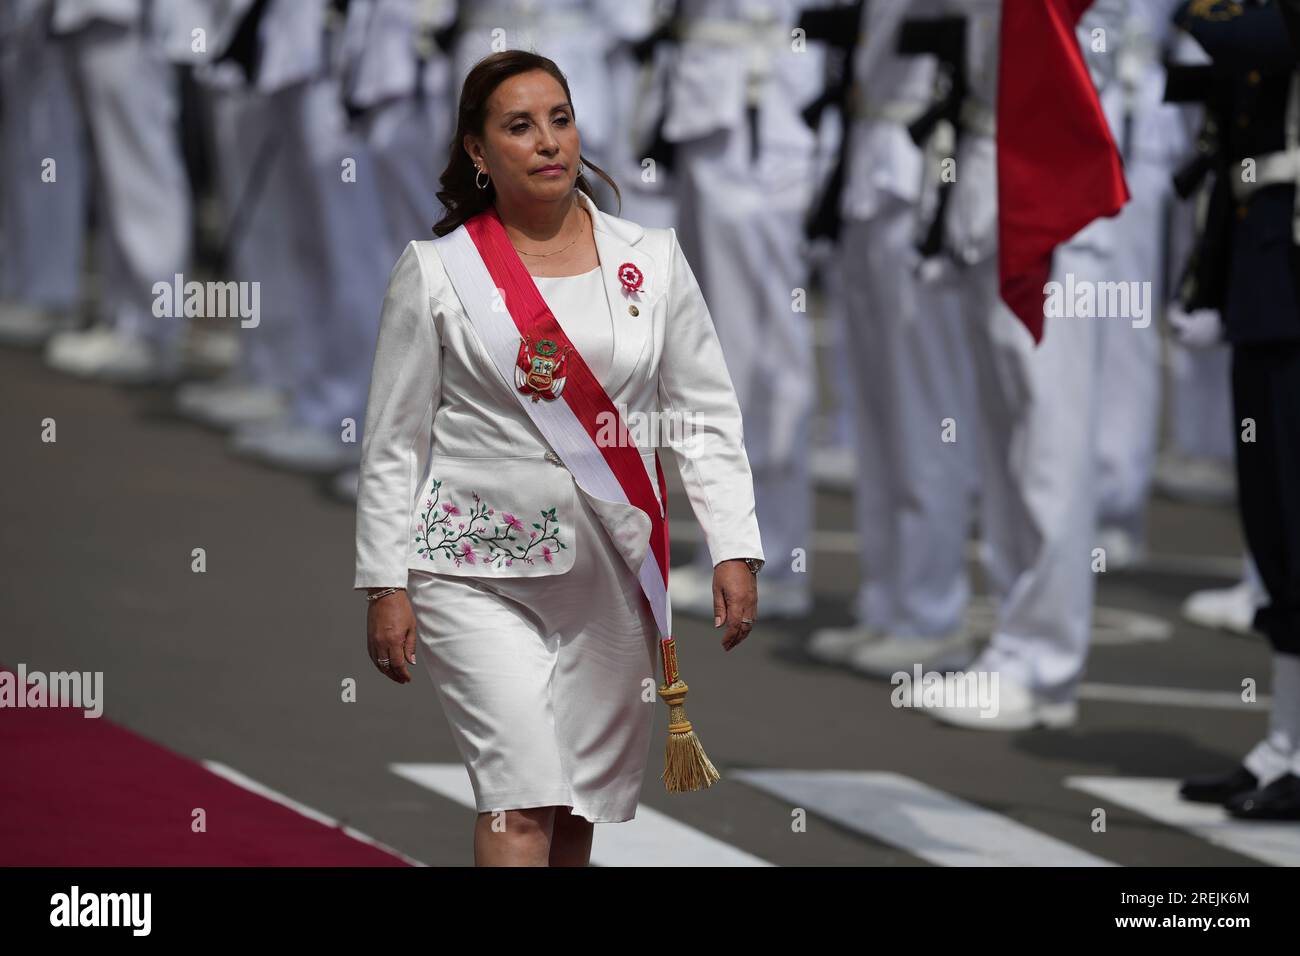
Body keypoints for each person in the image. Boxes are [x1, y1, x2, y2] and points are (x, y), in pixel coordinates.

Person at [353, 51, 766, 865]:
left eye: (560, 118)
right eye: (519, 126)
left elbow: (704, 415)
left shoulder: (651, 259)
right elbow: (394, 440)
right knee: (521, 802)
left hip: (612, 570)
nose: (547, 142)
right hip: (473, 568)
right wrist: (384, 581)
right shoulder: (439, 273)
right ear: (478, 151)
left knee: (578, 808)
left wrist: (735, 545)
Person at [1173, 0, 1300, 821]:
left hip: (1291, 273)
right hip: (1265, 267)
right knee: (1277, 529)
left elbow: (1234, 31)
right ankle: (1285, 742)